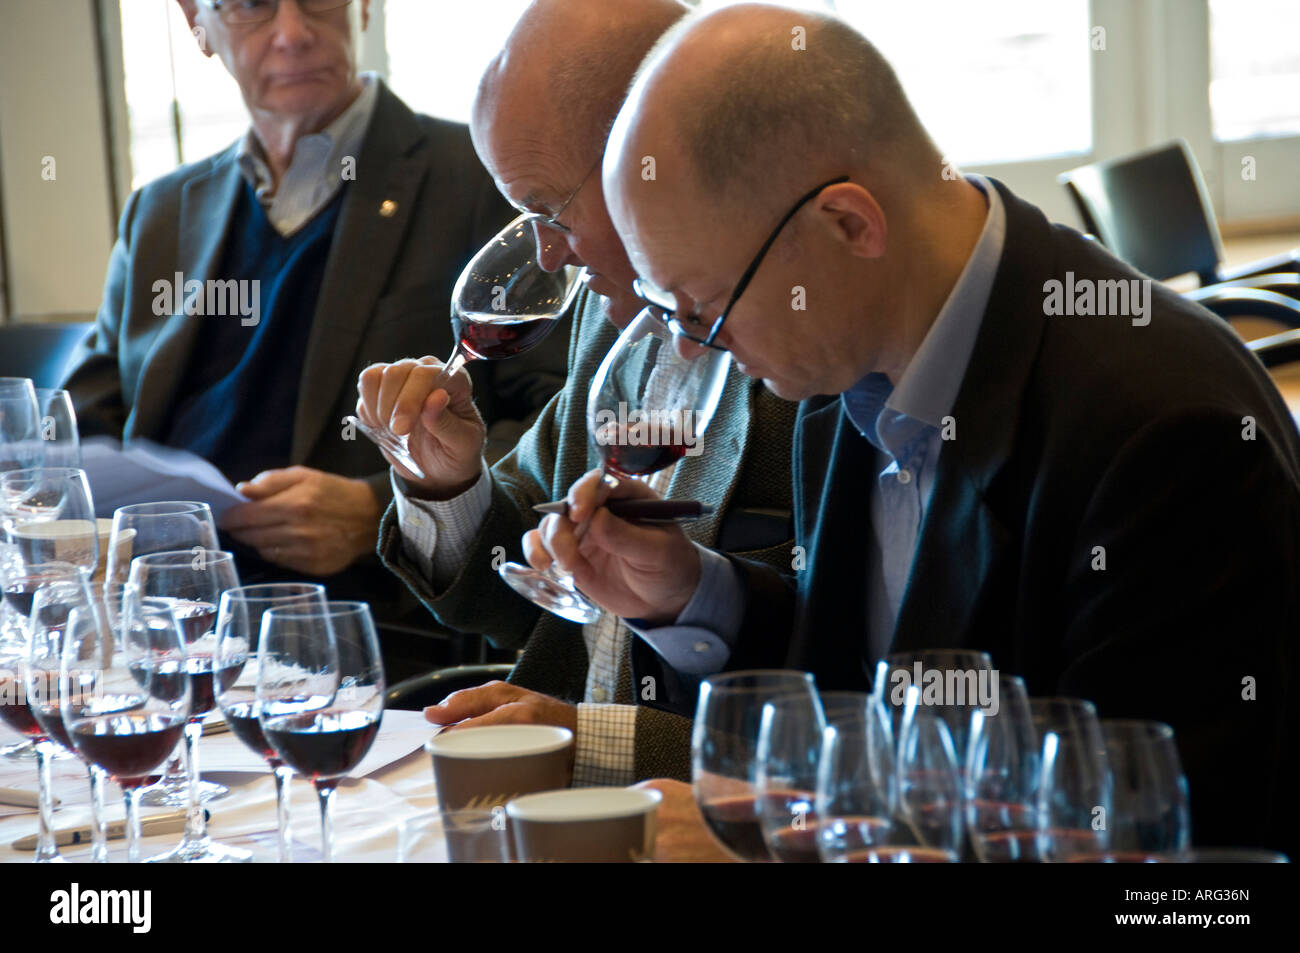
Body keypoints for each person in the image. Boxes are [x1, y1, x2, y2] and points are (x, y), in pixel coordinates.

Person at [529, 3, 1300, 854]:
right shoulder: (843, 358)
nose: (687, 345)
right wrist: (690, 594)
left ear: (849, 225)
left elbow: (1183, 890)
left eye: (702, 308)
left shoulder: (1165, 436)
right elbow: (872, 679)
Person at [356, 0, 798, 784]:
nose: (547, 256)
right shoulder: (610, 307)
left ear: (651, 154)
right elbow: (526, 586)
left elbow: (840, 684)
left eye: (549, 212)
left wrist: (592, 742)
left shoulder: (808, 352)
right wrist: (450, 479)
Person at [61, 0, 567, 671]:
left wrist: (381, 509)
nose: (294, 33)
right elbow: (74, 435)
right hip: (157, 636)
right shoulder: (159, 211)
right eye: (251, 5)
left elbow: (562, 421)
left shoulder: (481, 180)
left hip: (361, 639)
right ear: (194, 21)